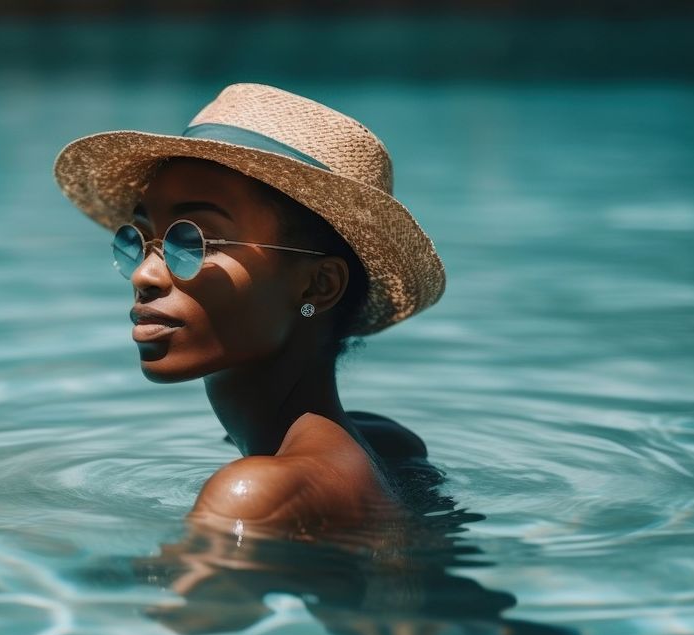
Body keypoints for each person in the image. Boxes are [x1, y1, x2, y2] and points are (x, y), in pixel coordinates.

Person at [53, 83, 446, 539]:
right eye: (140, 238)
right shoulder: (383, 446)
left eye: (196, 240)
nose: (145, 275)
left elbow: (195, 610)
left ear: (318, 286)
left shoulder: (252, 494)